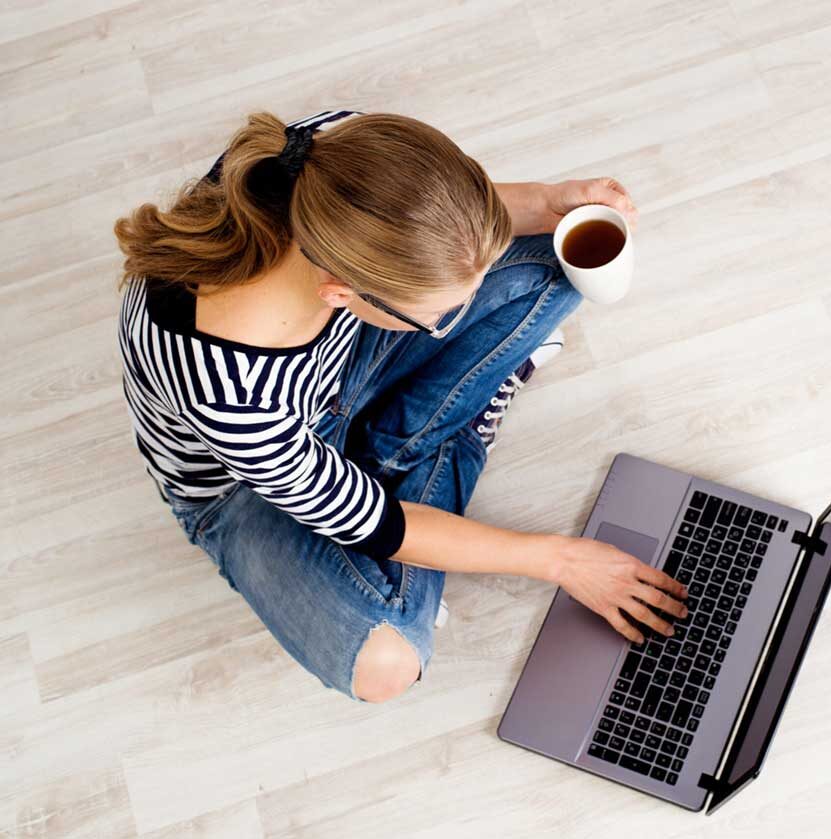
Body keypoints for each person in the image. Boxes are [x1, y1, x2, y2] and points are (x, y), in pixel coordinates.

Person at [112, 108, 689, 703]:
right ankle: (449, 437)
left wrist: (549, 202)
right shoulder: (229, 397)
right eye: (436, 317)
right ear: (340, 291)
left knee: (560, 250)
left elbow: (439, 224)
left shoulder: (326, 155)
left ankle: (428, 435)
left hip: (334, 369)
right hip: (243, 492)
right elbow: (378, 525)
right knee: (388, 660)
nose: (448, 322)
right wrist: (564, 562)